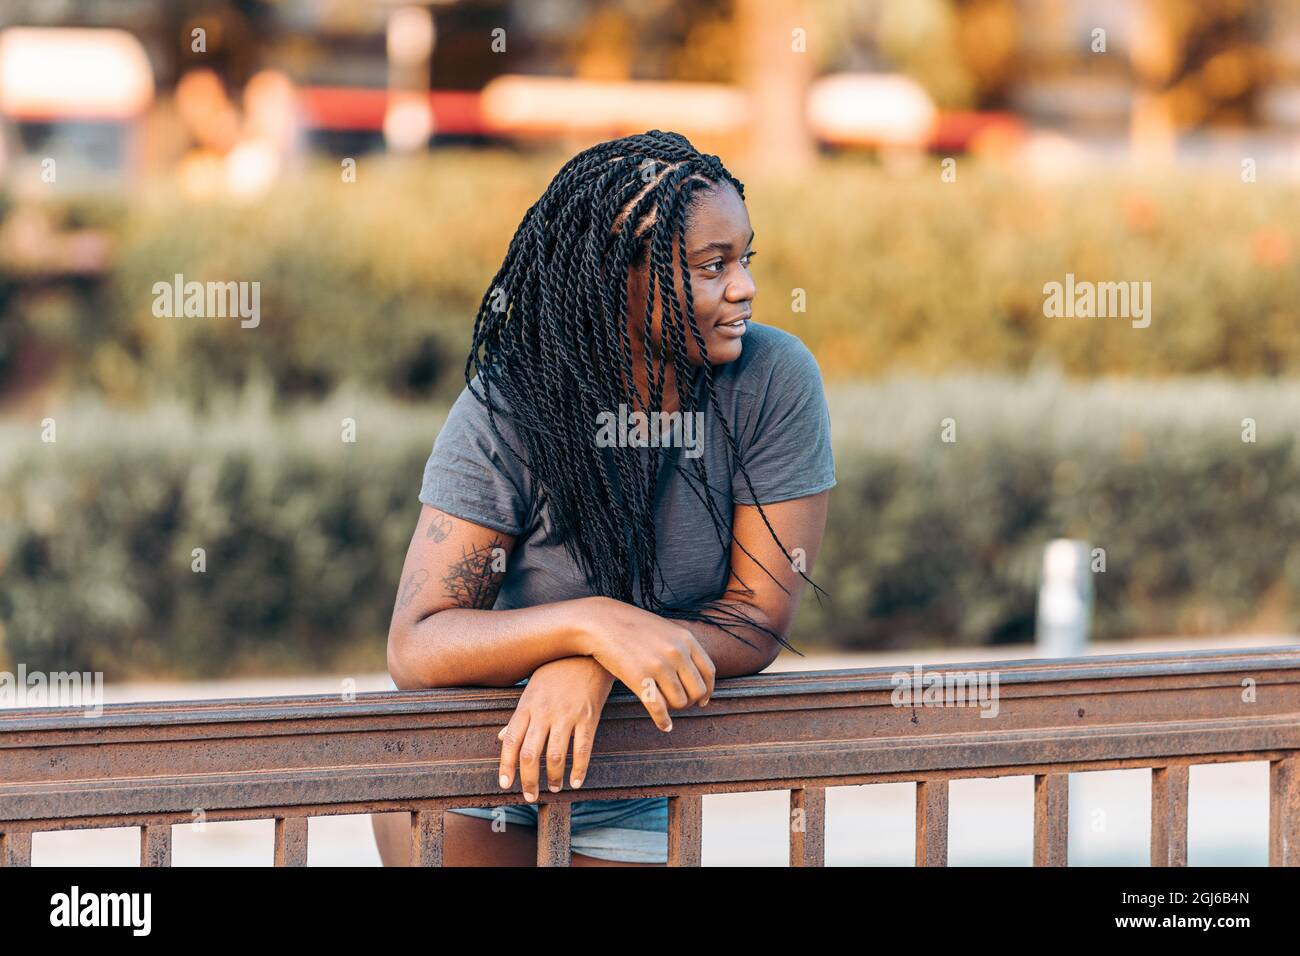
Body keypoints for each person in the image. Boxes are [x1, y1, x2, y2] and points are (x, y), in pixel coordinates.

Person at [371, 129, 835, 866]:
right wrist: (589, 625)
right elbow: (417, 642)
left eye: (746, 259)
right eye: (713, 266)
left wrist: (599, 660)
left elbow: (757, 619)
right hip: (471, 757)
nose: (744, 286)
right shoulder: (512, 402)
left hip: (630, 762)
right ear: (622, 276)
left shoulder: (771, 380)